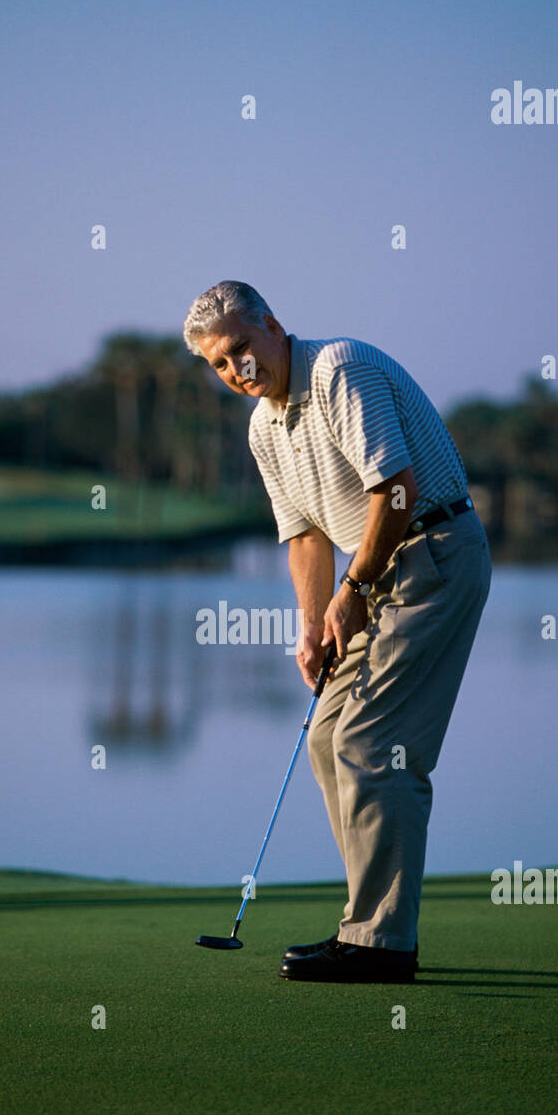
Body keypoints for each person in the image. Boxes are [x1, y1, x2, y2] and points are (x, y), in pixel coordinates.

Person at [183, 280, 491, 982]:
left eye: (240, 349)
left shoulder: (337, 370)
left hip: (433, 554)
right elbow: (304, 539)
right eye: (220, 366)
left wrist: (351, 592)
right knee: (327, 738)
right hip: (374, 572)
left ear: (271, 325)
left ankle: (382, 943)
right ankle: (368, 927)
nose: (238, 371)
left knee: (372, 742)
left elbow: (398, 490)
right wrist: (313, 626)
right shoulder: (263, 426)